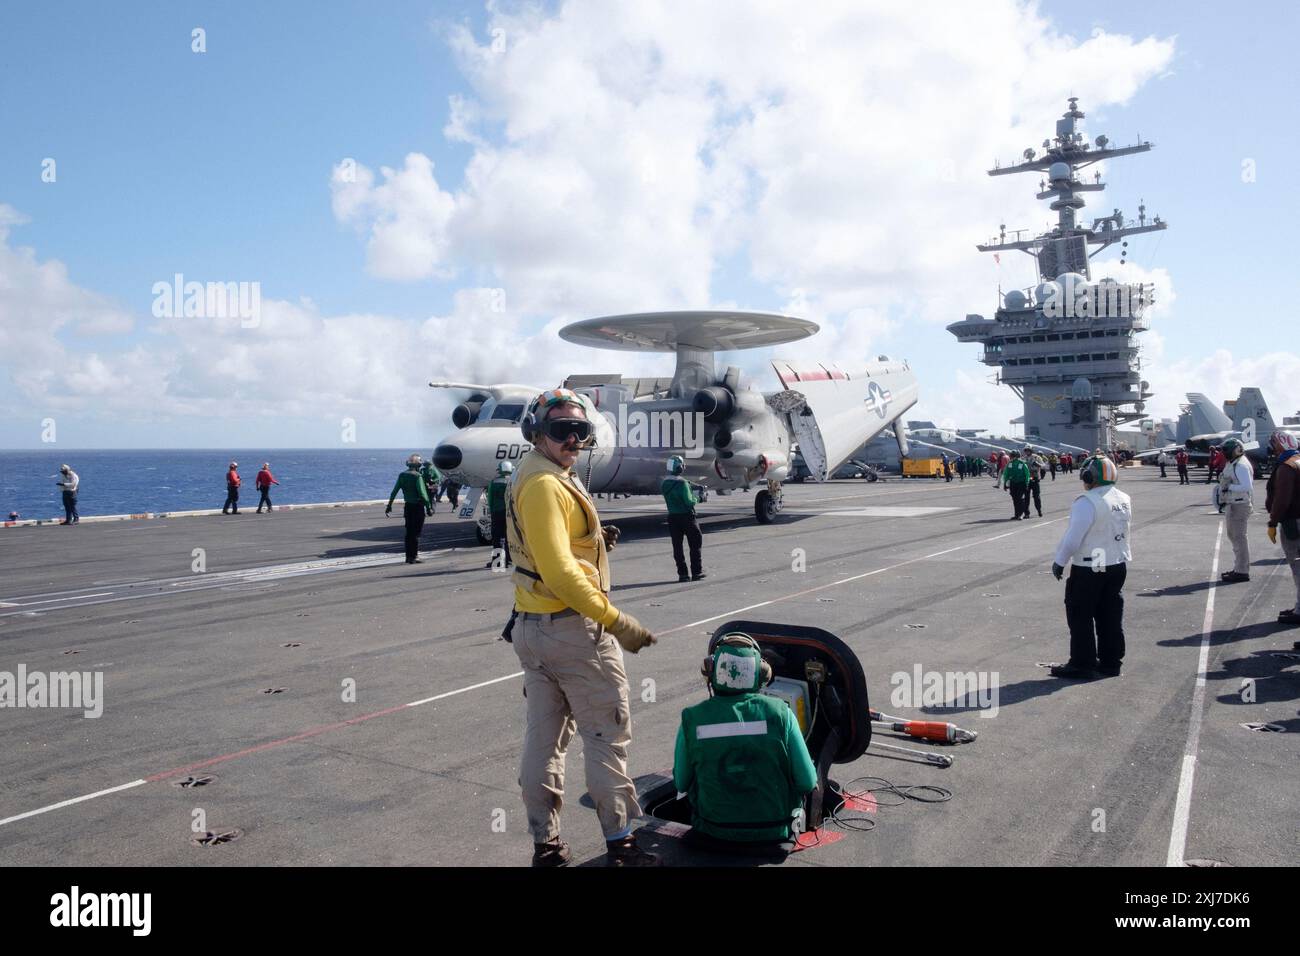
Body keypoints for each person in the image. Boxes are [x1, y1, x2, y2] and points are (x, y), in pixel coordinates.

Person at [503, 387, 658, 867]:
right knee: (605, 735)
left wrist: (592, 539)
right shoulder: (547, 484)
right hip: (573, 633)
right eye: (561, 430)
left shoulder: (535, 472)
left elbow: (548, 547)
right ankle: (622, 846)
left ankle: (545, 846)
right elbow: (559, 571)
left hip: (533, 629)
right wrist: (616, 621)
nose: (572, 440)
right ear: (536, 432)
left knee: (544, 740)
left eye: (580, 431)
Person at [673, 633, 817, 847]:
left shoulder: (692, 719)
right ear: (762, 673)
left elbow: (681, 782)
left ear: (710, 672)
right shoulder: (781, 713)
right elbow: (807, 781)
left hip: (713, 831)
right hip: (774, 831)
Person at [1049, 455, 1131, 679]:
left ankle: (1082, 663)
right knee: (1110, 614)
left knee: (1080, 614)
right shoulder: (1123, 498)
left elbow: (1074, 538)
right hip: (1116, 562)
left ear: (1089, 476)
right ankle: (1111, 662)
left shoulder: (1087, 501)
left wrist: (1060, 561)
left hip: (1090, 565)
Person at [1264, 431, 1300, 629]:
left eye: (1275, 443)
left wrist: (1272, 521)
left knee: (1298, 568)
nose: (1272, 447)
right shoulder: (1297, 460)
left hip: (1292, 523)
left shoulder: (1286, 467)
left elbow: (1282, 499)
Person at [662, 455, 705, 582]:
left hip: (672, 518)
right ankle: (697, 572)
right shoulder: (683, 484)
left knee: (677, 547)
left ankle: (683, 574)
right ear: (679, 468)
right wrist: (699, 498)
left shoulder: (664, 483)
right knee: (695, 543)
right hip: (687, 517)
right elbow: (689, 501)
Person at [386, 454, 433, 564]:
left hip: (408, 507)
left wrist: (389, 506)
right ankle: (415, 556)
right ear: (418, 465)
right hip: (418, 507)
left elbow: (394, 491)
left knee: (409, 532)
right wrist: (428, 507)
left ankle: (408, 557)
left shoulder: (402, 475)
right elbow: (423, 494)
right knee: (416, 533)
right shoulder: (418, 476)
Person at [1219, 438, 1254, 583]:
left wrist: (1229, 487)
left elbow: (1247, 487)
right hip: (1233, 503)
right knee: (1234, 537)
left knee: (1239, 538)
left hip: (1239, 505)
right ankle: (1239, 567)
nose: (1225, 453)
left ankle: (1242, 571)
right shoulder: (1234, 463)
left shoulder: (1240, 465)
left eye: (1227, 450)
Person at [485, 460, 513, 569]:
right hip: (509, 514)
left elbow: (490, 499)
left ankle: (497, 562)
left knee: (497, 538)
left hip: (497, 513)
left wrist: (492, 510)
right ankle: (509, 561)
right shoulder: (513, 481)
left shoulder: (494, 482)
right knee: (509, 537)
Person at [1003, 450, 1031, 519]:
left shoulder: (1022, 463)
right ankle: (1016, 514)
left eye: (1012, 455)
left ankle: (1020, 514)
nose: (1011, 457)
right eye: (1011, 455)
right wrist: (1005, 483)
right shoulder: (1010, 463)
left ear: (1016, 456)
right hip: (1013, 483)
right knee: (1015, 499)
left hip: (1021, 483)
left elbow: (1027, 474)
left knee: (1019, 498)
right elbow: (1006, 473)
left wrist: (1027, 482)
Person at [1026, 447, 1046, 518]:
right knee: (1026, 497)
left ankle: (1039, 511)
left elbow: (1044, 466)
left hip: (1035, 478)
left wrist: (1038, 464)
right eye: (1026, 451)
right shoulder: (1024, 458)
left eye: (1028, 451)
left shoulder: (1037, 457)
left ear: (1031, 451)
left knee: (1036, 496)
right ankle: (1027, 513)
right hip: (1027, 479)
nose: (1027, 452)